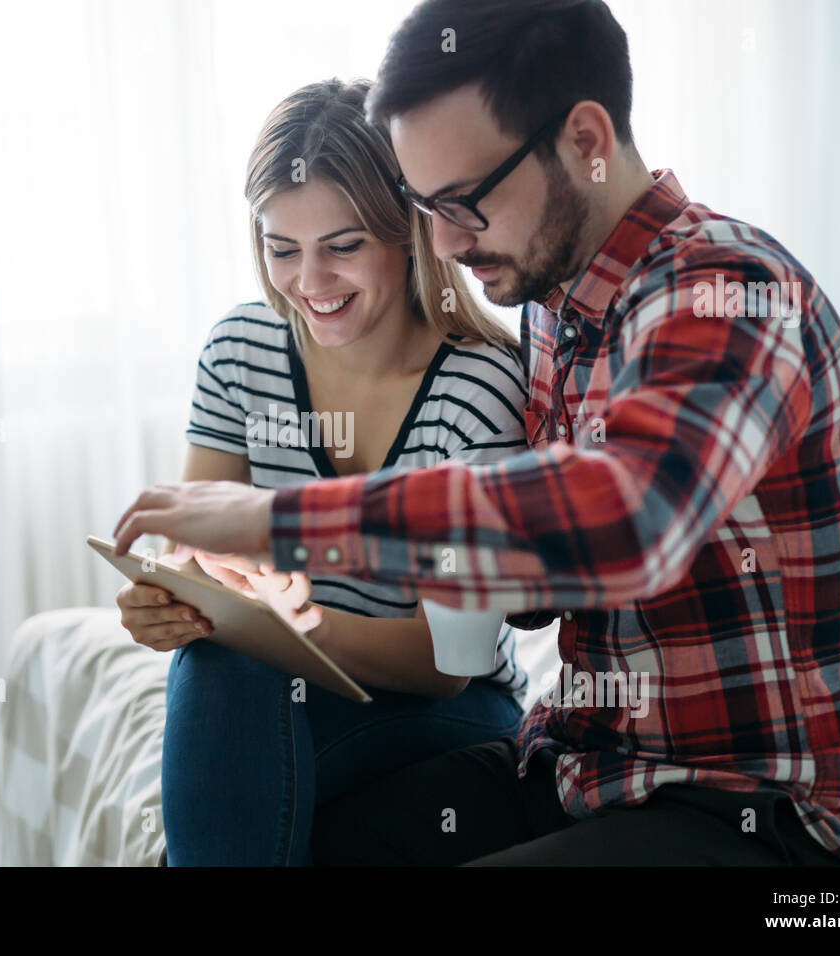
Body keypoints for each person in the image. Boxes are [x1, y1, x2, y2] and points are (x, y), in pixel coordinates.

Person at [114, 0, 840, 866]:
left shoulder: (728, 292)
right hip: (581, 768)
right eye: (426, 206)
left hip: (759, 812)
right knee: (283, 838)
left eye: (465, 201)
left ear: (586, 140)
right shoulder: (554, 309)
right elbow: (544, 582)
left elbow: (629, 523)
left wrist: (271, 525)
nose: (445, 242)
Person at [116, 78, 540, 866]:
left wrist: (272, 628)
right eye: (282, 249)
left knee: (228, 669)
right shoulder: (241, 350)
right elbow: (199, 556)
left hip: (448, 703)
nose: (309, 284)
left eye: (342, 247)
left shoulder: (477, 388)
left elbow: (447, 665)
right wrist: (170, 608)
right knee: (214, 667)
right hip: (281, 683)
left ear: (406, 233)